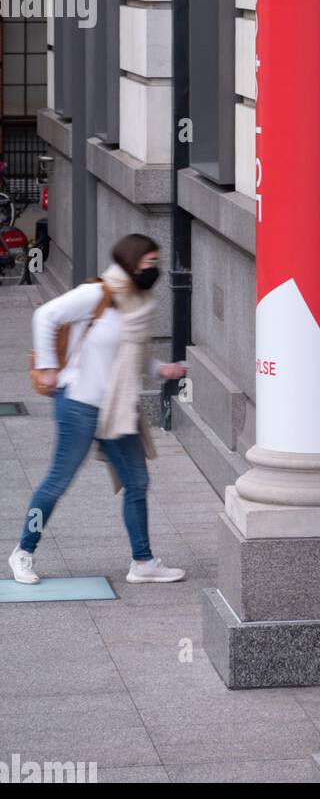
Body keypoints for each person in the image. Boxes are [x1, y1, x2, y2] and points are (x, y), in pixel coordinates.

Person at [8, 233, 188, 585]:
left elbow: (128, 353)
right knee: (57, 482)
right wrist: (47, 366)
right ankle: (23, 552)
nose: (155, 268)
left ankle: (143, 562)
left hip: (117, 410)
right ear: (132, 261)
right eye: (150, 262)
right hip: (78, 404)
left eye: (156, 261)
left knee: (137, 481)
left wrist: (160, 369)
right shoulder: (98, 294)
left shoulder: (139, 302)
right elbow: (45, 316)